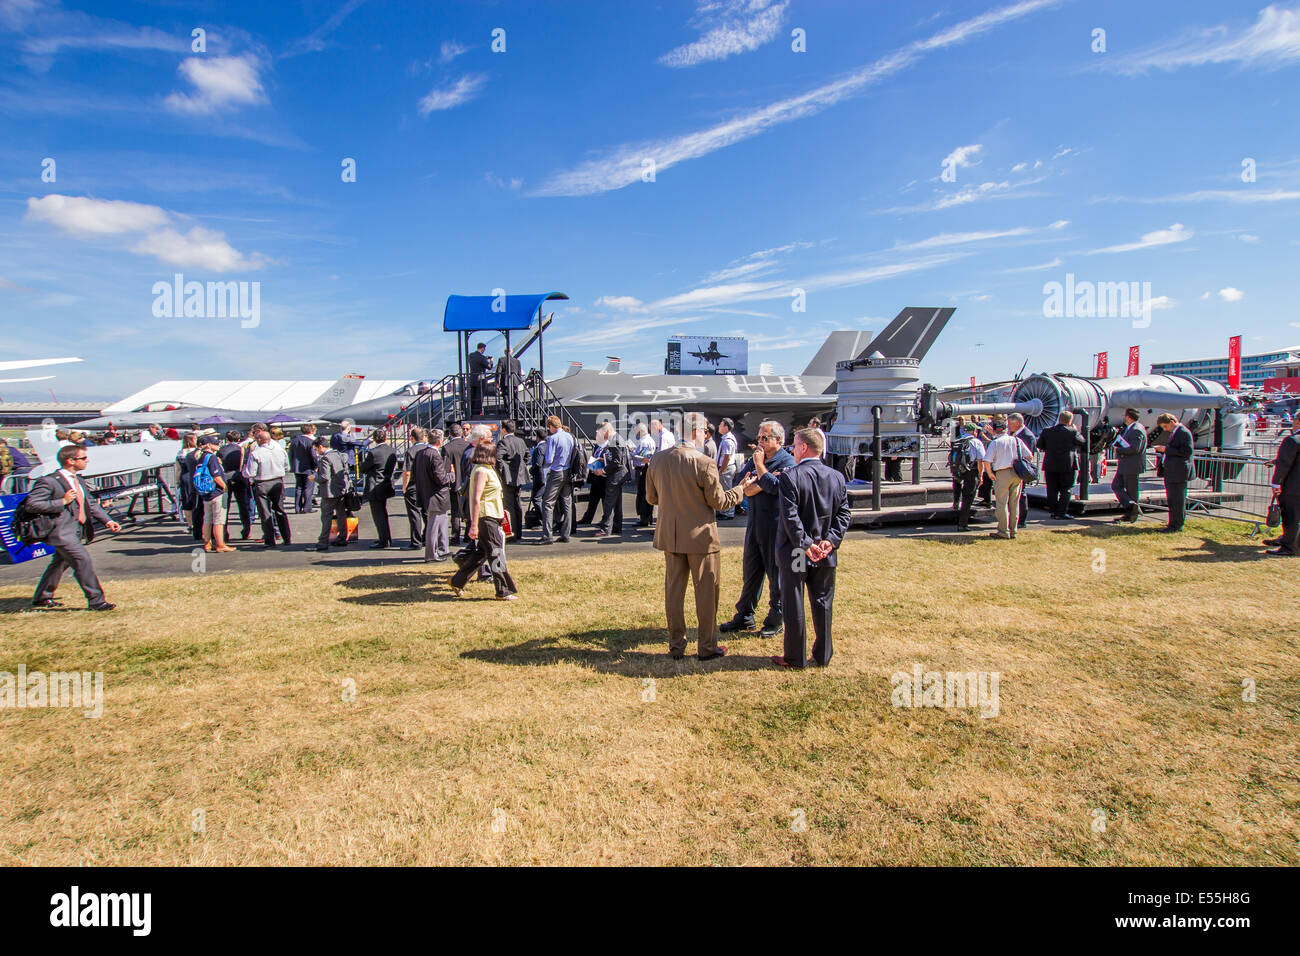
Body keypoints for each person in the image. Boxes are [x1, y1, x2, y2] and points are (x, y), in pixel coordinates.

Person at [645, 412, 751, 660]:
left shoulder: (658, 460)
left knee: (673, 593)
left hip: (671, 536)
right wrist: (741, 490)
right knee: (706, 594)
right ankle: (706, 647)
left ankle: (676, 646)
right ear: (695, 432)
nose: (707, 435)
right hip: (701, 538)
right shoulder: (704, 462)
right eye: (705, 431)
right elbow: (719, 501)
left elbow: (651, 498)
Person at [772, 427, 850, 668]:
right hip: (824, 550)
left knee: (794, 601)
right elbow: (844, 513)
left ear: (804, 447)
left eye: (795, 446)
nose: (792, 450)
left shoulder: (790, 476)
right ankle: (823, 654)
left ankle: (795, 656)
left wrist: (806, 544)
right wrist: (831, 540)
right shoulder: (837, 476)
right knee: (823, 601)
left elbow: (790, 518)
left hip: (797, 550)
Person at [721, 420, 796, 637]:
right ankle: (744, 615)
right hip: (754, 524)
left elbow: (775, 487)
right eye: (759, 437)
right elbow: (739, 482)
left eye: (765, 437)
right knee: (751, 571)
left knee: (776, 574)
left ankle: (776, 618)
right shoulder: (756, 460)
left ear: (778, 440)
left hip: (775, 526)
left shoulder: (786, 461)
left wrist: (759, 472)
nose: (760, 442)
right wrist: (753, 484)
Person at [27, 444, 122, 611]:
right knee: (82, 561)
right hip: (61, 531)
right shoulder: (49, 481)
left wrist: (107, 521)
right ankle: (96, 601)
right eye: (83, 458)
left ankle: (42, 597)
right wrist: (61, 502)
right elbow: (32, 504)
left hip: (77, 530)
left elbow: (90, 504)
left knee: (59, 563)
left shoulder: (78, 480)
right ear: (71, 461)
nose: (87, 461)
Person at [450, 440, 519, 600]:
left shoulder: (488, 469)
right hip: (485, 516)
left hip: (493, 515)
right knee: (496, 553)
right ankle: (503, 590)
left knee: (481, 553)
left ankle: (457, 580)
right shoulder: (481, 471)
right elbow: (475, 498)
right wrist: (474, 525)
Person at [241, 425, 291, 547]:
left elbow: (250, 473)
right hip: (278, 480)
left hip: (263, 482)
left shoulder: (256, 453)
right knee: (280, 510)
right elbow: (287, 467)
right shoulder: (280, 450)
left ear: (259, 440)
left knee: (265, 512)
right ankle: (287, 537)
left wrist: (243, 472)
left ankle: (270, 539)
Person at [1037, 411, 1088, 520]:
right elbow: (1083, 442)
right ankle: (1061, 512)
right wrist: (1076, 430)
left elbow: (1040, 445)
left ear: (1059, 419)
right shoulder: (1073, 432)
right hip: (1067, 465)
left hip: (1050, 463)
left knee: (1051, 489)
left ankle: (1053, 511)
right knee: (1066, 489)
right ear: (1070, 421)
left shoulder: (1047, 431)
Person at [981, 417, 1023, 540]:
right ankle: (1013, 530)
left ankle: (1003, 531)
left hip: (1002, 472)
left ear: (995, 430)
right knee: (1014, 503)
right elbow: (1029, 456)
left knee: (1002, 503)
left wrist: (990, 474)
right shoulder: (1016, 440)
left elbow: (987, 460)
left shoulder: (995, 442)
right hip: (1016, 472)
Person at [416, 428, 454, 561]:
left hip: (427, 493)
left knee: (442, 521)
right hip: (437, 495)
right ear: (440, 441)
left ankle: (444, 548)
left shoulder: (421, 453)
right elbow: (441, 478)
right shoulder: (434, 455)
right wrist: (451, 475)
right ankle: (431, 554)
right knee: (434, 525)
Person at [1153, 413, 1193, 533]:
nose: (1165, 429)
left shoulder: (1183, 432)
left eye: (1165, 426)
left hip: (1178, 471)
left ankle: (1176, 525)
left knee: (1177, 500)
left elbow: (1187, 451)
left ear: (1171, 422)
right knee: (1173, 499)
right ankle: (1173, 522)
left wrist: (1166, 449)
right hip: (1172, 471)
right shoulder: (1176, 432)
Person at [1265, 420, 1300, 556]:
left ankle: (1289, 548)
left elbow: (1284, 464)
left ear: (1297, 422)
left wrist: (1276, 483)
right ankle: (1292, 543)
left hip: (1293, 486)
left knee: (1291, 517)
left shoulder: (1292, 440)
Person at [309, 435, 350, 550]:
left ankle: (323, 541)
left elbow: (324, 477)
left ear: (321, 447)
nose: (317, 452)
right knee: (341, 515)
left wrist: (314, 478)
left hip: (329, 492)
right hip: (341, 489)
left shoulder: (325, 459)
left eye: (317, 449)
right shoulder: (339, 455)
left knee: (326, 516)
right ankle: (342, 538)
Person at [538, 415, 575, 545]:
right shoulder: (569, 436)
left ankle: (547, 535)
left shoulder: (552, 438)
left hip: (557, 471)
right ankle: (566, 534)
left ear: (551, 426)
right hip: (568, 471)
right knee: (567, 503)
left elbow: (549, 458)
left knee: (547, 503)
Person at [195, 434, 234, 553]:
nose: (217, 445)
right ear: (208, 445)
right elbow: (216, 475)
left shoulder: (201, 457)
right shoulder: (211, 458)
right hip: (216, 492)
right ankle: (220, 544)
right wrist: (224, 486)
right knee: (219, 520)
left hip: (206, 492)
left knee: (207, 519)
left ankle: (207, 543)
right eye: (215, 443)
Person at [591, 422, 628, 537]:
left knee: (609, 503)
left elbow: (617, 462)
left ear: (606, 431)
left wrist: (602, 471)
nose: (601, 436)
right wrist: (603, 461)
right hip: (617, 476)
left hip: (615, 476)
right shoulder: (617, 438)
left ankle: (606, 528)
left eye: (602, 433)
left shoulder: (614, 440)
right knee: (616, 503)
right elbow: (616, 459)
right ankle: (616, 526)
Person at [361, 427, 397, 549]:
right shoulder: (392, 450)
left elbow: (363, 468)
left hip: (375, 486)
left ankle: (384, 540)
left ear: (374, 439)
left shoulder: (373, 452)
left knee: (378, 515)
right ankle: (387, 538)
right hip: (386, 484)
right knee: (383, 513)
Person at [1111, 408, 1147, 523]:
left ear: (1129, 417)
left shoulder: (1137, 430)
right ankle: (1130, 507)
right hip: (1125, 464)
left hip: (1131, 465)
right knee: (1116, 485)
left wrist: (1119, 450)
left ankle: (1131, 512)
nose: (1123, 417)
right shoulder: (1131, 428)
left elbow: (1135, 448)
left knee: (1131, 491)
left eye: (1124, 415)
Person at [495, 420, 528, 543]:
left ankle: (512, 532)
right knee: (517, 503)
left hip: (508, 477)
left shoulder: (503, 442)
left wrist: (502, 469)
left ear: (504, 429)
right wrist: (522, 467)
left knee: (509, 506)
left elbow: (497, 458)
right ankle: (519, 531)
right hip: (519, 476)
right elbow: (527, 455)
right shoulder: (521, 441)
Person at [949, 421, 986, 531]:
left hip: (958, 469)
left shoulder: (957, 440)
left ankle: (955, 504)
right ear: (974, 431)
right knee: (968, 497)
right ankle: (963, 523)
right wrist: (981, 475)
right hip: (971, 470)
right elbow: (980, 460)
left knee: (958, 488)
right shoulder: (976, 442)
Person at [218, 430, 252, 540]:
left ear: (227, 439)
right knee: (243, 505)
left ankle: (224, 533)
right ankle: (246, 530)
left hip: (226, 477)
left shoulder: (221, 450)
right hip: (240, 477)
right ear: (238, 439)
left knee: (225, 507)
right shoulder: (243, 450)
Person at [401, 426, 429, 549]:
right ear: (424, 438)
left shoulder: (410, 451)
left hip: (413, 486)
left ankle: (416, 541)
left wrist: (404, 487)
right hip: (427, 486)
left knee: (414, 514)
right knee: (427, 513)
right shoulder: (429, 450)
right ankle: (428, 538)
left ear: (412, 438)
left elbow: (407, 472)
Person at [1009, 415, 1037, 530]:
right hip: (1013, 469)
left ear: (1017, 424)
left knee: (1021, 494)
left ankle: (1021, 520)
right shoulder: (1014, 434)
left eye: (1010, 423)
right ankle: (1014, 518)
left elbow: (1028, 456)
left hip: (1020, 470)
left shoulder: (1027, 436)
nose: (1008, 426)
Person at [443, 423, 470, 543]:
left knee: (455, 512)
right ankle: (468, 535)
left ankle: (455, 536)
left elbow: (446, 467)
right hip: (467, 482)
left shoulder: (447, 448)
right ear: (461, 433)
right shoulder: (469, 446)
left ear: (450, 434)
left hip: (454, 483)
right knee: (468, 510)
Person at [578, 429, 608, 527]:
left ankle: (605, 519)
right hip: (595, 476)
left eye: (598, 434)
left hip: (603, 477)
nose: (596, 436)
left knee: (605, 500)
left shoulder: (608, 446)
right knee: (593, 499)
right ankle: (587, 518)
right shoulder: (597, 446)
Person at [288, 424, 319, 514]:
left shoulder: (294, 441)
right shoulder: (311, 442)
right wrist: (316, 465)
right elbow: (313, 455)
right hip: (308, 468)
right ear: (311, 431)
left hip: (297, 467)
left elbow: (291, 454)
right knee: (308, 488)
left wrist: (292, 465)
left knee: (299, 488)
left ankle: (297, 508)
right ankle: (307, 507)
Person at [715, 417, 739, 519]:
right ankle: (723, 511)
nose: (719, 427)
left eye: (721, 425)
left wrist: (721, 470)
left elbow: (727, 457)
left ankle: (728, 513)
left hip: (726, 468)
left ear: (726, 427)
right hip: (726, 467)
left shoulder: (728, 440)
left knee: (727, 490)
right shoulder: (726, 438)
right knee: (724, 489)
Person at [632, 423, 655, 527]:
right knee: (646, 493)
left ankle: (644, 519)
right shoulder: (650, 440)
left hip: (643, 469)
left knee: (642, 493)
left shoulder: (644, 442)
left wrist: (632, 453)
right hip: (646, 468)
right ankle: (647, 517)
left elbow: (644, 457)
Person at [496, 346, 521, 418]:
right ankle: (516, 413)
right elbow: (519, 373)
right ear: (512, 352)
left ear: (504, 352)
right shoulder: (517, 361)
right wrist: (518, 382)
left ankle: (508, 412)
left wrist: (497, 382)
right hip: (515, 382)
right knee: (515, 397)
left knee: (506, 397)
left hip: (505, 381)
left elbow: (498, 372)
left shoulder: (501, 360)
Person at [468, 342, 491, 416]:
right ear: (482, 348)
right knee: (479, 396)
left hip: (472, 379)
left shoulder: (471, 356)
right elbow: (489, 367)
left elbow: (476, 361)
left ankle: (471, 411)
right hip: (480, 379)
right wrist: (491, 360)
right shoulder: (482, 357)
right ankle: (478, 412)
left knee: (473, 396)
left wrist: (484, 358)